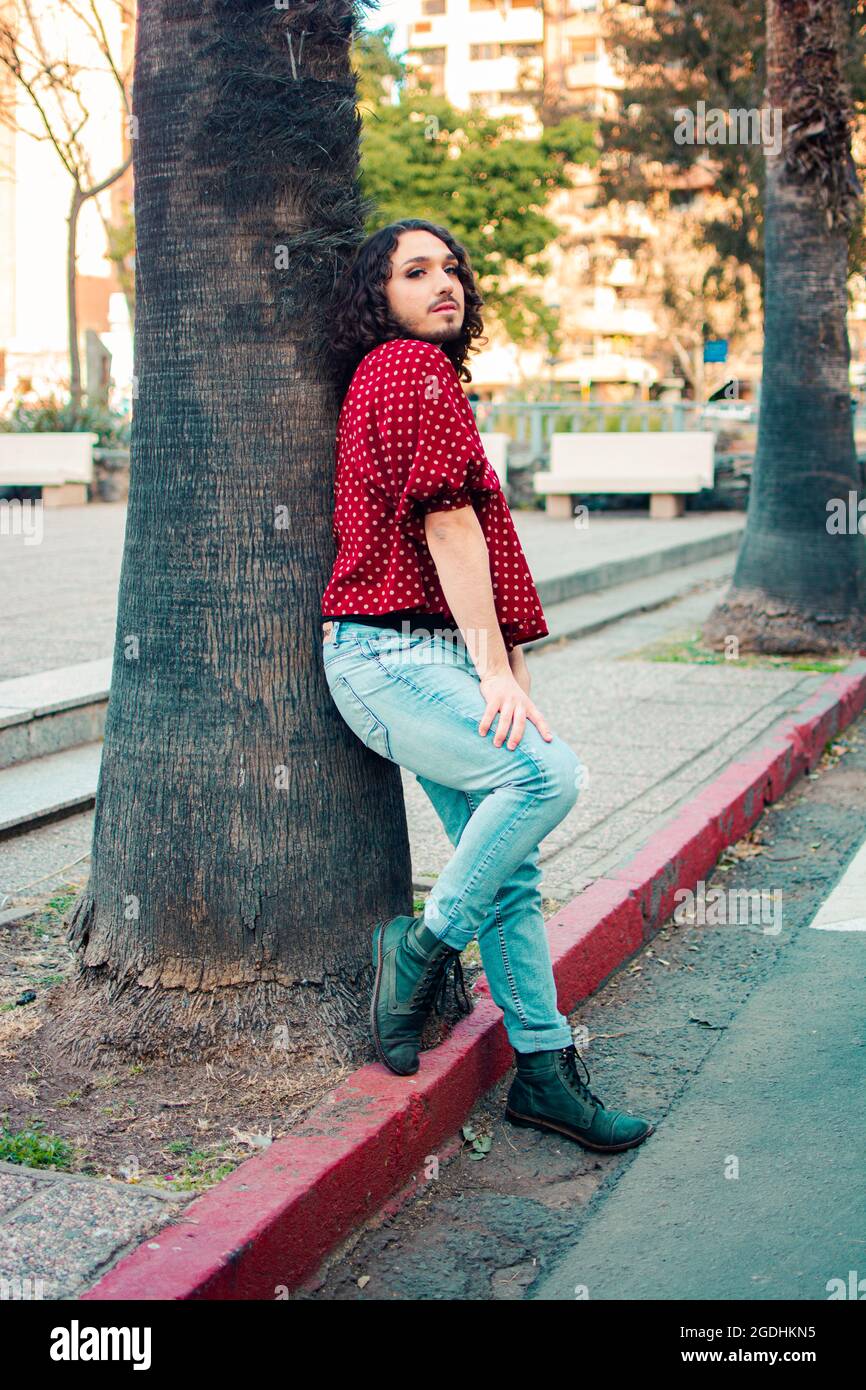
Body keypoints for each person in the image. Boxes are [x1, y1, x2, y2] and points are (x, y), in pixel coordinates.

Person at [320, 218, 653, 1154]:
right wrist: (496, 668)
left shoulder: (427, 381)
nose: (444, 283)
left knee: (511, 872)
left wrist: (502, 664)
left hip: (423, 660)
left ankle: (543, 1071)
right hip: (389, 658)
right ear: (377, 296)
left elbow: (477, 545)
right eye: (414, 271)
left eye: (452, 269)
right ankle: (422, 949)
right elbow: (449, 523)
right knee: (548, 777)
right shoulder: (406, 369)